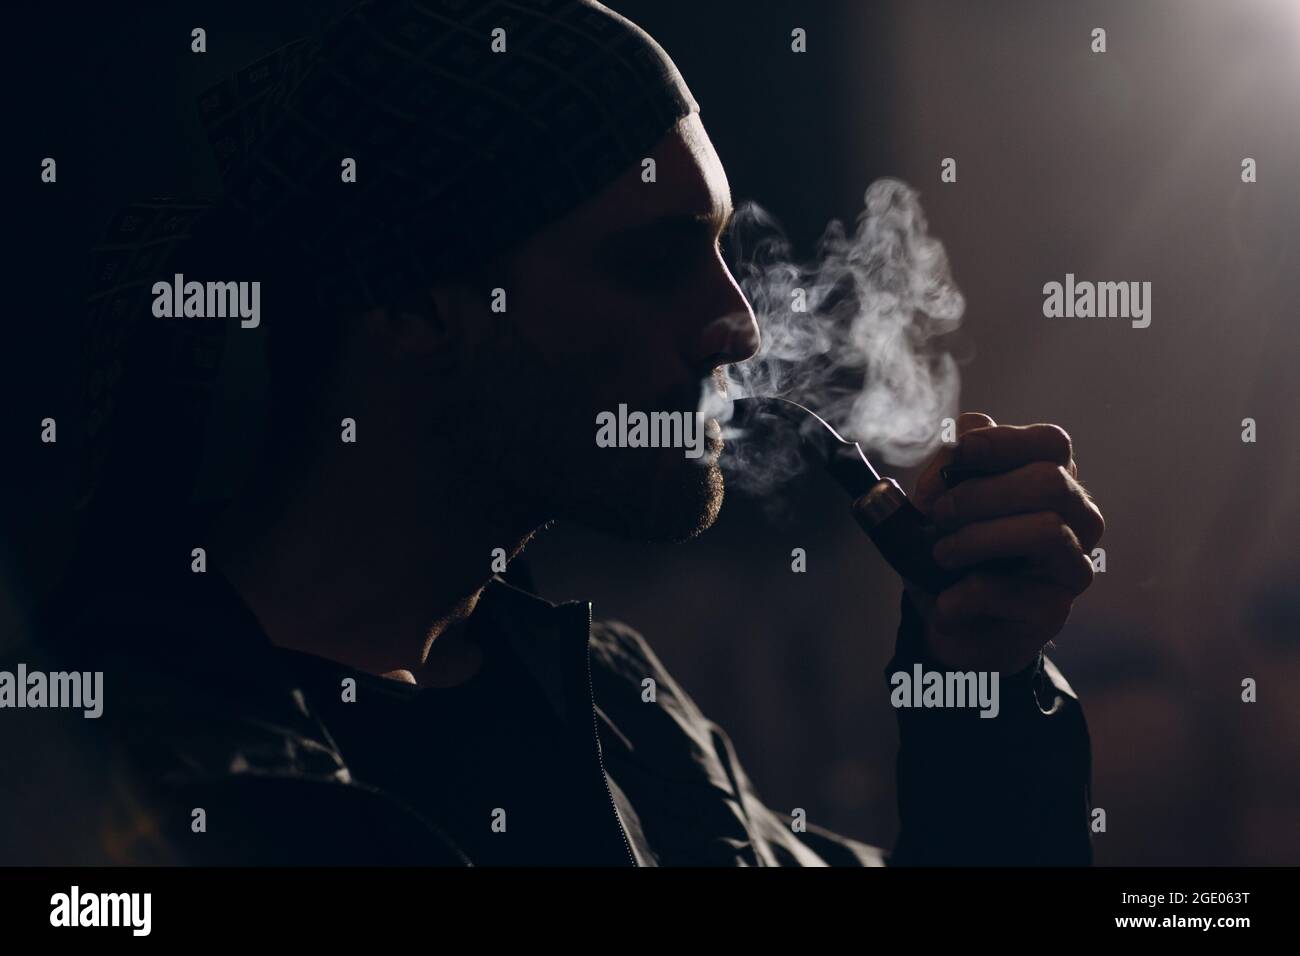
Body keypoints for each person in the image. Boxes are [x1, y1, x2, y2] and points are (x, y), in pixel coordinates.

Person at [39, 0, 1103, 866]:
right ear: (412, 308)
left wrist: (982, 682)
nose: (738, 324)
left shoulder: (618, 706)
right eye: (652, 262)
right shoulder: (120, 773)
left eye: (720, 250)